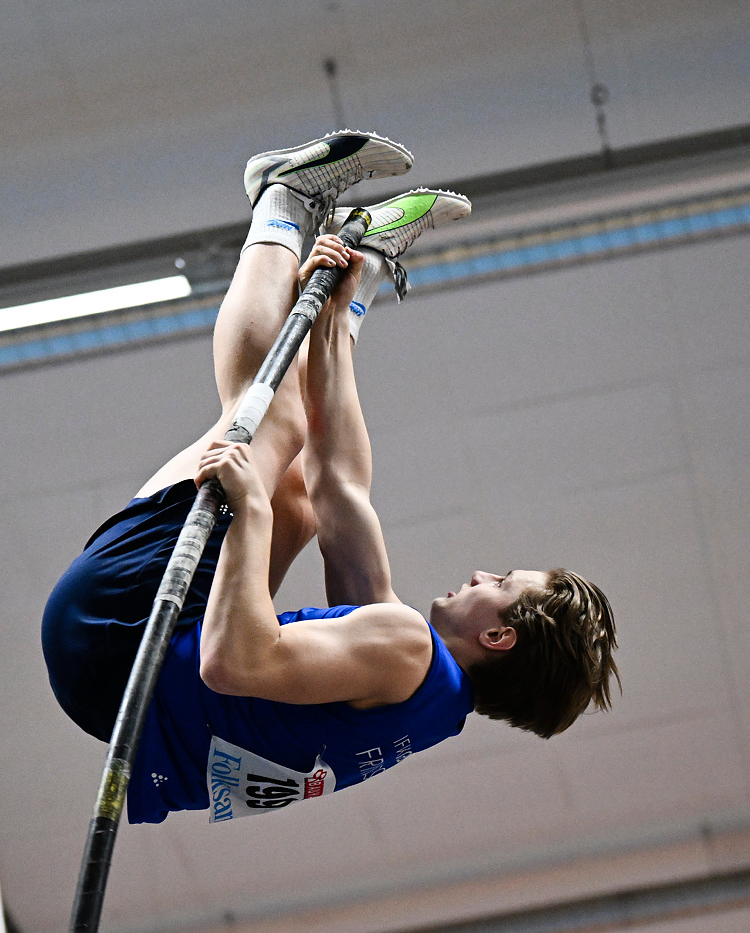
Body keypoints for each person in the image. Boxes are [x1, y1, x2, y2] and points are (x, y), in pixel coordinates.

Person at [41, 131, 619, 825]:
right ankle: (363, 268)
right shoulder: (422, 693)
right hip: (116, 679)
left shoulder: (406, 651)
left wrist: (247, 515)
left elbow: (232, 663)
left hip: (123, 646)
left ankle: (282, 197)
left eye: (499, 584)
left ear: (501, 636)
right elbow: (341, 492)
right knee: (300, 500)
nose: (478, 574)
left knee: (271, 422)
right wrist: (339, 316)